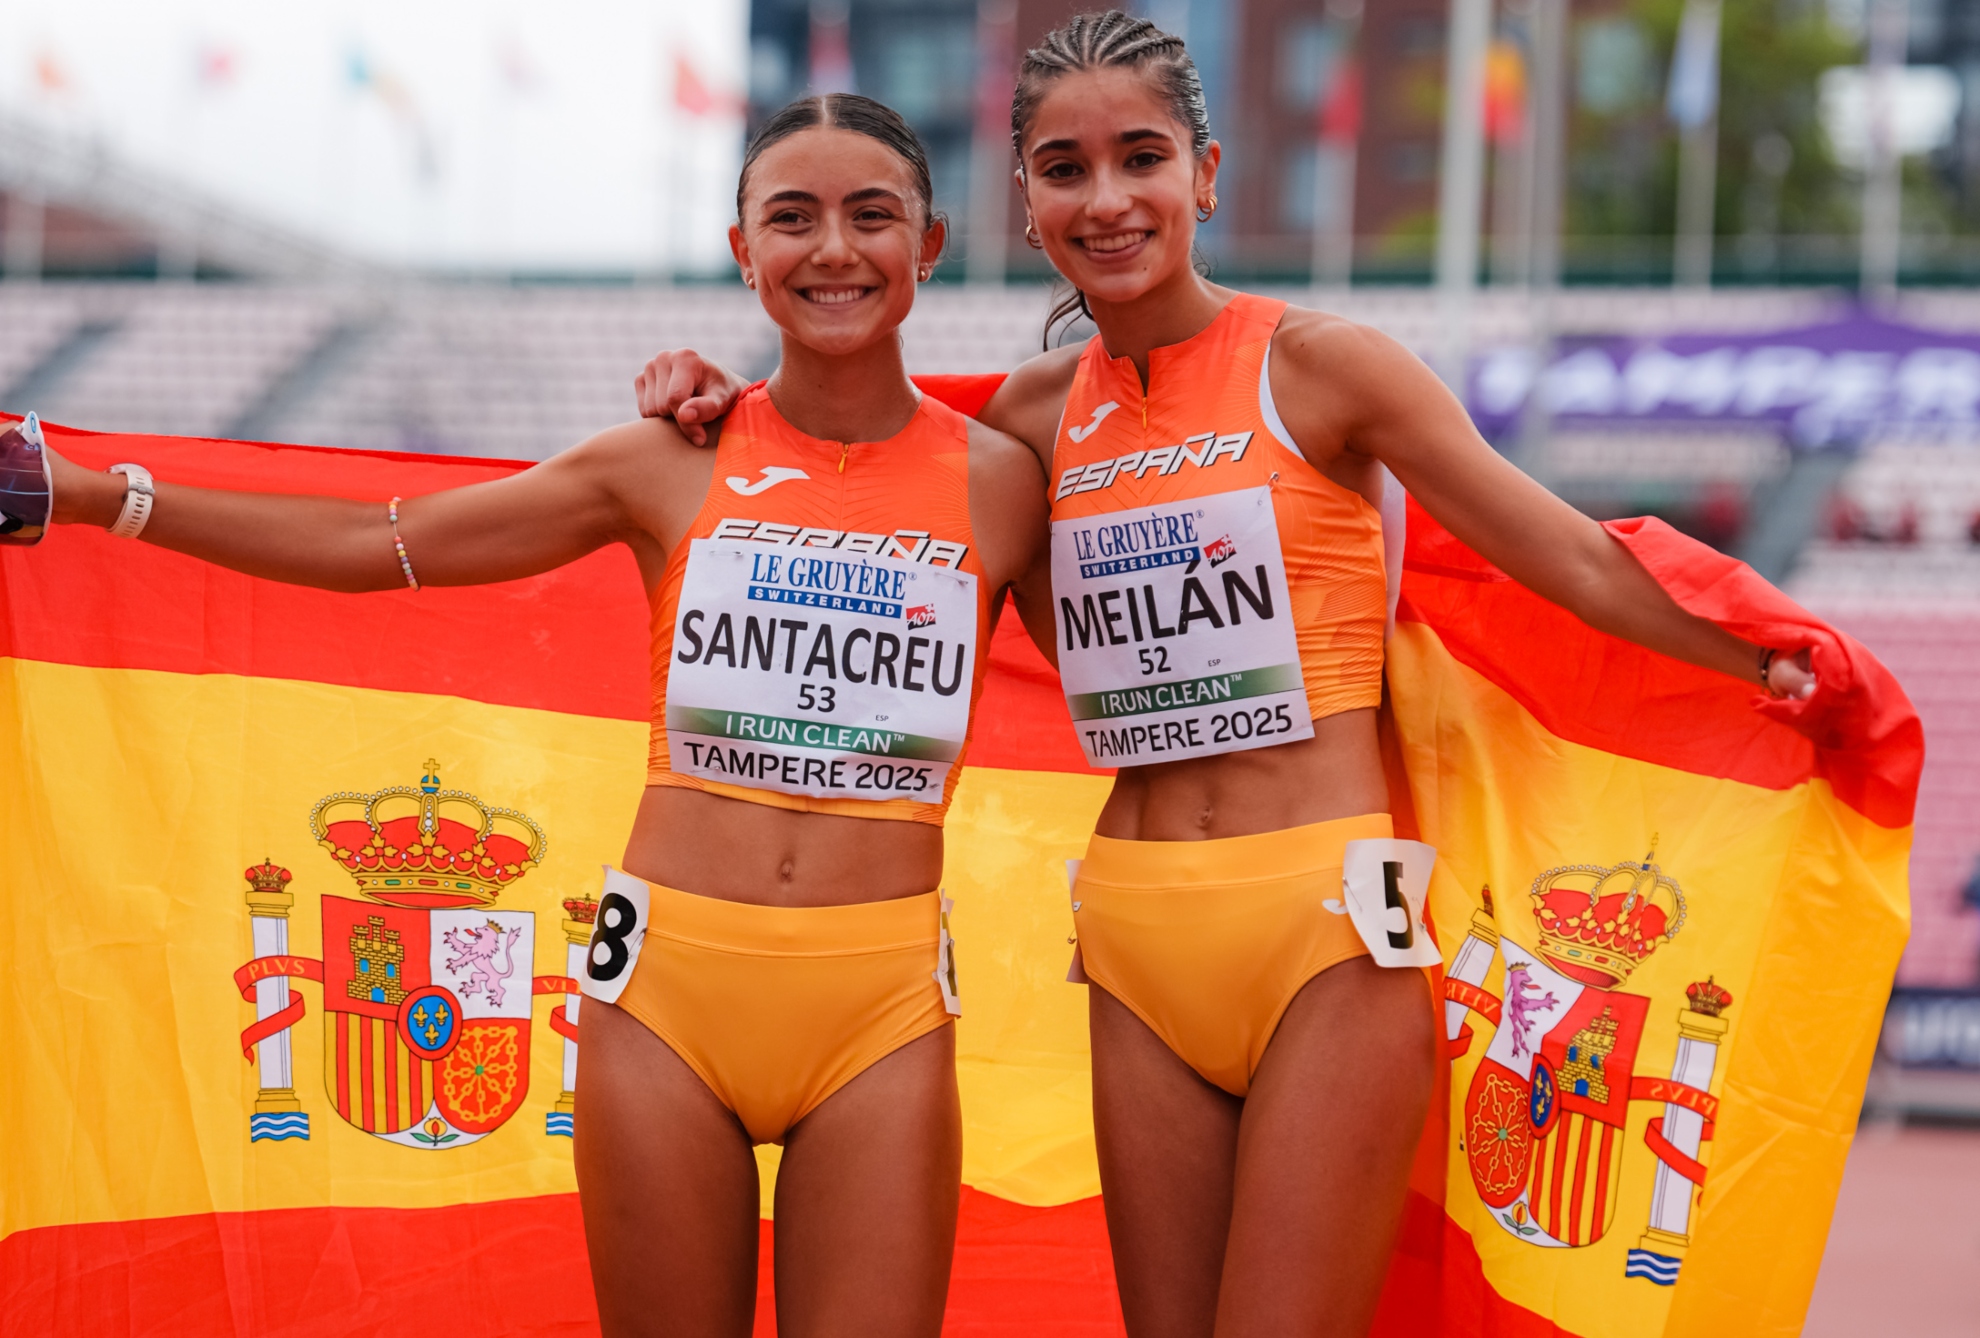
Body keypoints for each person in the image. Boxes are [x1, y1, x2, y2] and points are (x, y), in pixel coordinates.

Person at [634, 14, 1820, 1337]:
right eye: (1065, 167)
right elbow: (834, 439)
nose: (1108, 198)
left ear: (1205, 173)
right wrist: (702, 389)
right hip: (1137, 934)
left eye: (1140, 157)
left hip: (1325, 924)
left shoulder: (1326, 369)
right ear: (1024, 201)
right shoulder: (1021, 424)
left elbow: (1569, 555)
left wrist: (1764, 649)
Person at [40, 94, 1050, 1338]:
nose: (832, 249)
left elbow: (1137, 655)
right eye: (792, 219)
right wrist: (99, 497)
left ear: (930, 245)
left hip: (883, 1008)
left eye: (871, 216)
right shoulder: (666, 459)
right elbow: (382, 541)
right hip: (664, 1003)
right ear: (742, 252)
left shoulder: (1007, 486)